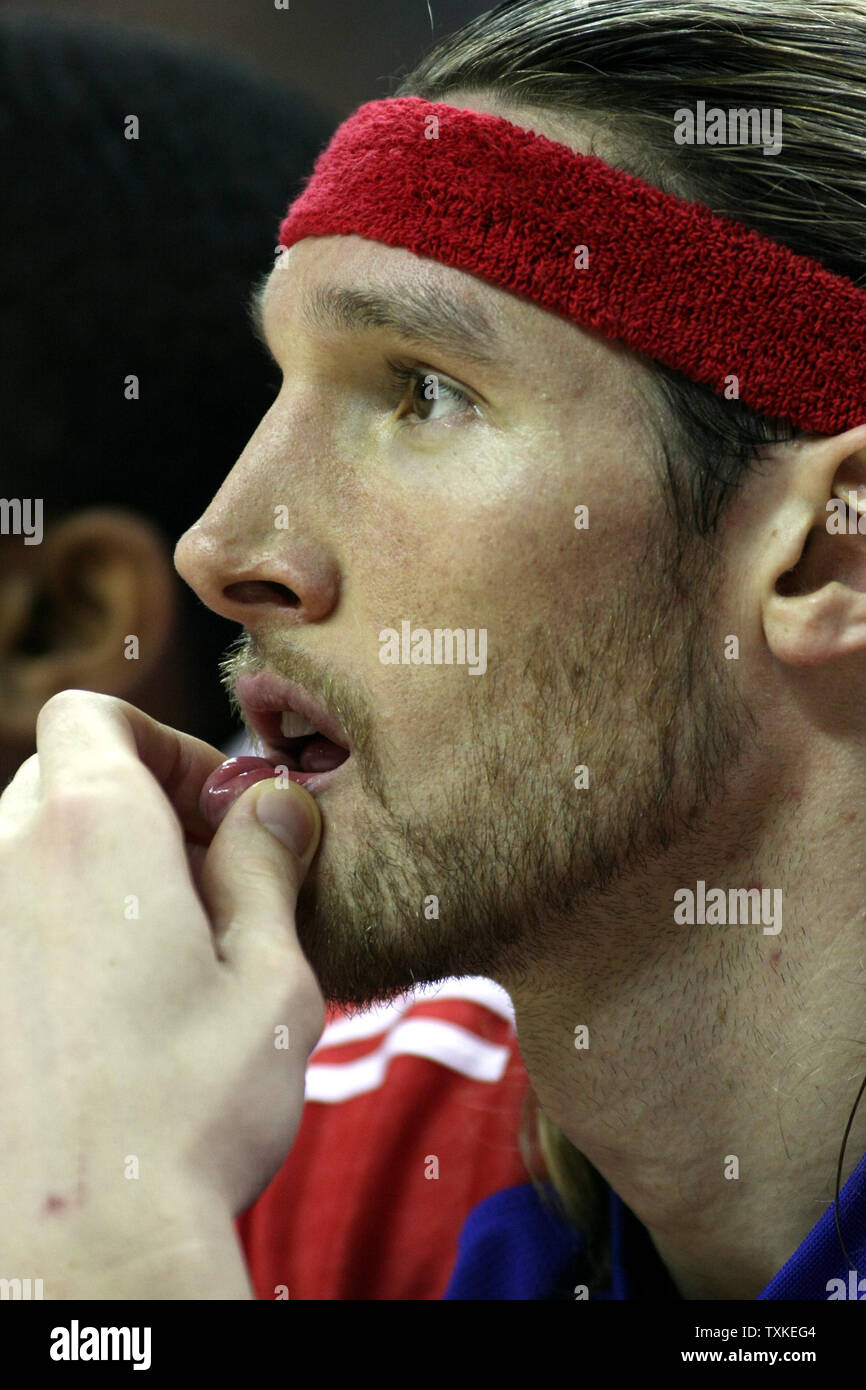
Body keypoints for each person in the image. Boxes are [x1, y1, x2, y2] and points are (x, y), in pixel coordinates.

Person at [4, 0, 866, 1304]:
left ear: (823, 553)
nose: (223, 547)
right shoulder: (414, 1214)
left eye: (421, 391)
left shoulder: (214, 1189)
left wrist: (106, 1255)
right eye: (277, 390)